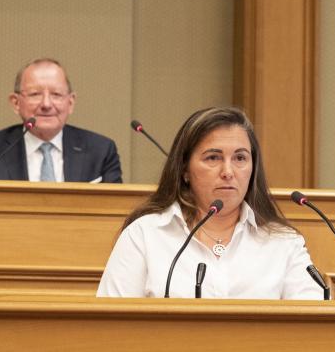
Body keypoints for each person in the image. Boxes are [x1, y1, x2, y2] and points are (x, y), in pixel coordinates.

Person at [97, 106, 320, 299]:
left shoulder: (283, 243)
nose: (228, 172)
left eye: (240, 158)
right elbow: (108, 327)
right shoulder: (144, 235)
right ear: (184, 169)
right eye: (213, 158)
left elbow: (315, 328)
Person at [0, 58, 122, 183]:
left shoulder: (101, 151)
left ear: (70, 103)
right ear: (16, 103)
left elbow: (117, 213)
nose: (46, 104)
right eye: (35, 94)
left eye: (56, 95)